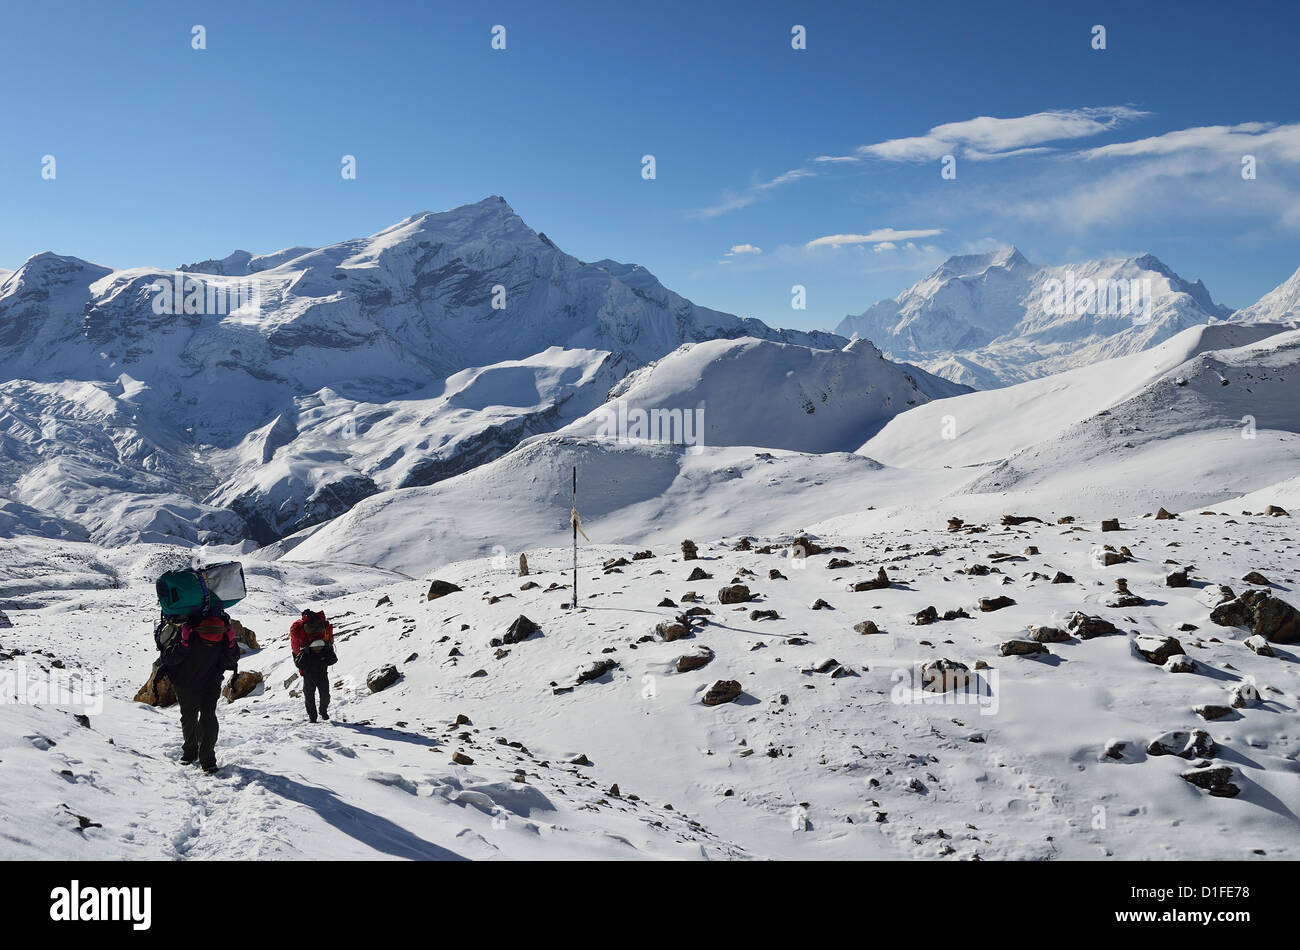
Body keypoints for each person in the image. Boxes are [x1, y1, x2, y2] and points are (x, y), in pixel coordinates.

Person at [170, 607, 239, 773]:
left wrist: (184, 644)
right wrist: (230, 643)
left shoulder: (187, 629)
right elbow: (231, 660)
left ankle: (189, 754)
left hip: (185, 682)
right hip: (211, 682)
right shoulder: (222, 631)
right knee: (208, 716)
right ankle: (208, 761)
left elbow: (170, 658)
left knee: (188, 716)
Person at [290, 609, 336, 723]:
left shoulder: (301, 633)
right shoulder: (323, 631)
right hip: (318, 670)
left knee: (311, 695)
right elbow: (333, 660)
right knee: (322, 695)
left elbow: (297, 659)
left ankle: (317, 714)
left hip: (312, 671)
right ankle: (318, 714)